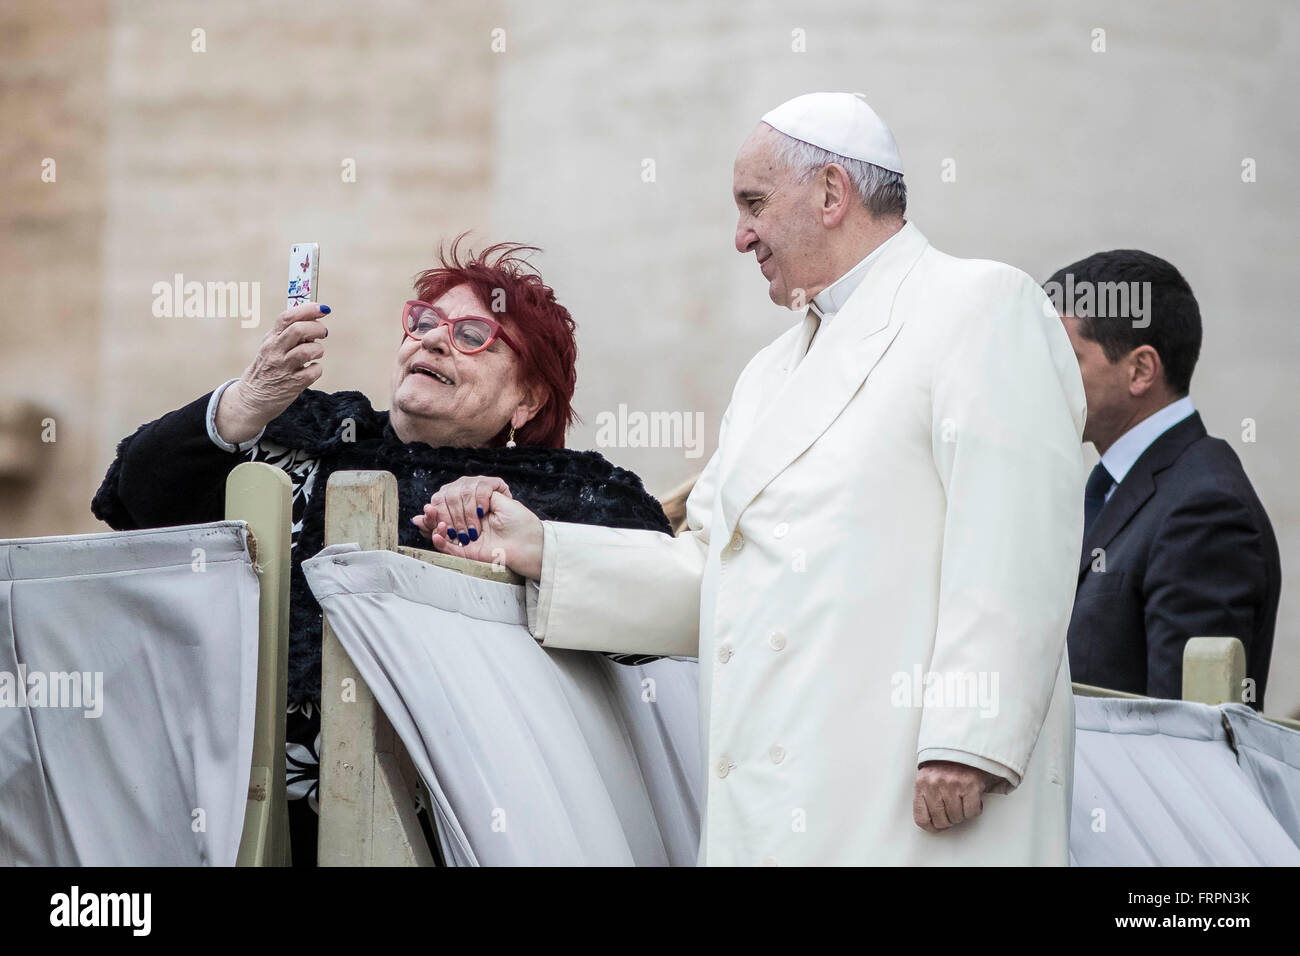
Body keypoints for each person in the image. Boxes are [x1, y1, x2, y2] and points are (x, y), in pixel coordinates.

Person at [414, 93, 1087, 865]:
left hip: (910, 798)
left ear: (832, 194)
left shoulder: (980, 304)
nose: (741, 237)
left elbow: (1014, 539)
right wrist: (540, 547)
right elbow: (714, 573)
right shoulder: (767, 374)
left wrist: (971, 739)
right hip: (773, 812)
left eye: (754, 204)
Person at [91, 238, 672, 865]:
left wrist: (523, 533)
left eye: (474, 333)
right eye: (423, 322)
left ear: (526, 399)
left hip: (440, 820)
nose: (433, 339)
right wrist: (244, 404)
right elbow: (132, 498)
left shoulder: (564, 488)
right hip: (226, 801)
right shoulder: (306, 432)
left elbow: (648, 605)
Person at [1048, 249, 1280, 708]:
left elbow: (1182, 736)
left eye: (1065, 357)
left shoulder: (1205, 507)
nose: (1041, 376)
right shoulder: (1116, 486)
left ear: (1140, 370)